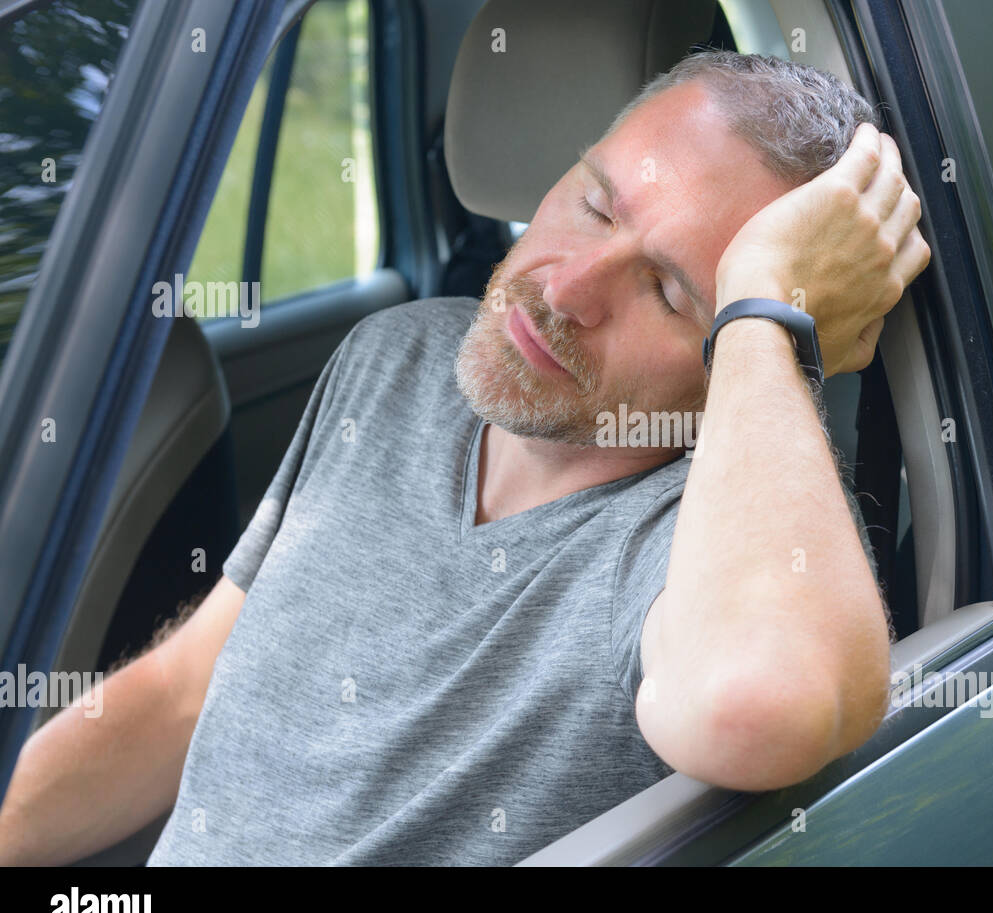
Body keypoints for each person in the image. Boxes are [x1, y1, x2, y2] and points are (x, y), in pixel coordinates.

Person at [0, 51, 928, 866]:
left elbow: (761, 701)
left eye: (670, 294)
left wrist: (766, 311)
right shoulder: (396, 356)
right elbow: (190, 687)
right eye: (596, 204)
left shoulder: (707, 540)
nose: (564, 286)